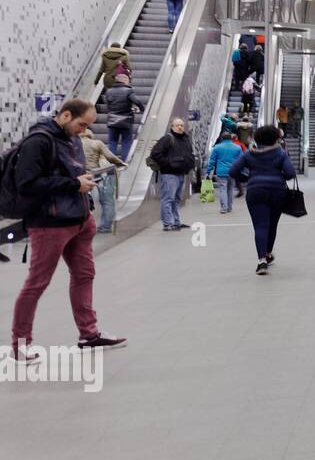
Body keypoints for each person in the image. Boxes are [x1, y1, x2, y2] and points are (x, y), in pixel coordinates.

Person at [8, 98, 126, 362]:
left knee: (85, 275)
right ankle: (20, 344)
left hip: (80, 219)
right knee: (37, 282)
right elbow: (27, 183)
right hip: (50, 223)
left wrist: (83, 190)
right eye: (81, 124)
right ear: (65, 116)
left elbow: (74, 173)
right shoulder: (38, 141)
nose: (83, 130)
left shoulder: (71, 138)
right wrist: (73, 185)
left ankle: (89, 334)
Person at [230, 124, 296, 275]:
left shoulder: (249, 153)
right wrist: (280, 177)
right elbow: (290, 172)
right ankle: (268, 253)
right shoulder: (280, 153)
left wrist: (248, 178)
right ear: (275, 138)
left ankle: (262, 261)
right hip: (276, 192)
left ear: (257, 138)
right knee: (272, 225)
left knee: (260, 226)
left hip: (255, 191)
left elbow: (233, 171)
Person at [147, 118, 195, 230]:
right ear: (172, 126)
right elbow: (155, 153)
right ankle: (168, 223)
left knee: (177, 199)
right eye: (177, 125)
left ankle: (176, 222)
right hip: (170, 174)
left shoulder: (185, 139)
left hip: (181, 173)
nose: (180, 127)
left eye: (182, 125)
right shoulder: (167, 139)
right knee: (168, 198)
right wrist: (168, 164)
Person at [80, 132, 126, 233]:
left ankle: (82, 226)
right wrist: (121, 164)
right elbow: (110, 157)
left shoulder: (74, 143)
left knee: (82, 201)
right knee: (106, 201)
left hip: (80, 177)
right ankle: (105, 226)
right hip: (95, 176)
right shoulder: (97, 143)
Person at [102, 74, 145, 161]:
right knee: (126, 142)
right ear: (124, 80)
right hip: (125, 121)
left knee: (112, 143)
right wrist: (142, 109)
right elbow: (137, 101)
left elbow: (109, 106)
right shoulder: (128, 91)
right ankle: (124, 163)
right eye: (128, 79)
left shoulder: (108, 91)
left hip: (112, 120)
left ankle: (111, 164)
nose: (129, 81)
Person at [206, 131, 243, 215]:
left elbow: (212, 161)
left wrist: (208, 171)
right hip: (233, 171)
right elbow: (242, 160)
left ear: (222, 138)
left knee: (223, 189)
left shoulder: (217, 147)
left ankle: (224, 208)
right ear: (231, 138)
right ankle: (229, 207)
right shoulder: (237, 147)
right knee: (230, 189)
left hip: (221, 171)